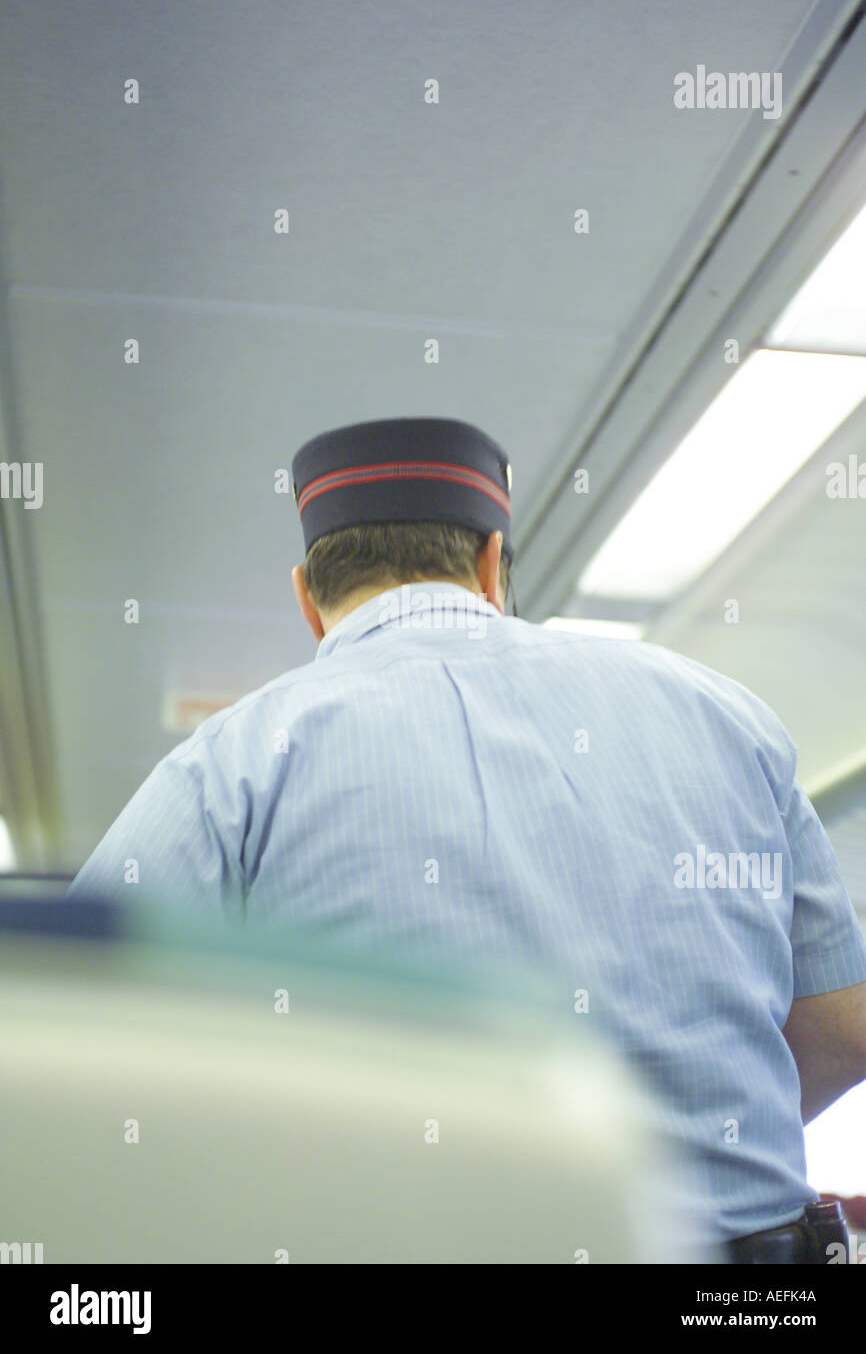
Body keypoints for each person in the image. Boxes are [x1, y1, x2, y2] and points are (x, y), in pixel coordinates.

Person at [68, 415, 866, 1260]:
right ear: (492, 564)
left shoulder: (229, 766)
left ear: (306, 595)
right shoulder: (729, 717)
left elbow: (75, 1030)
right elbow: (845, 1027)